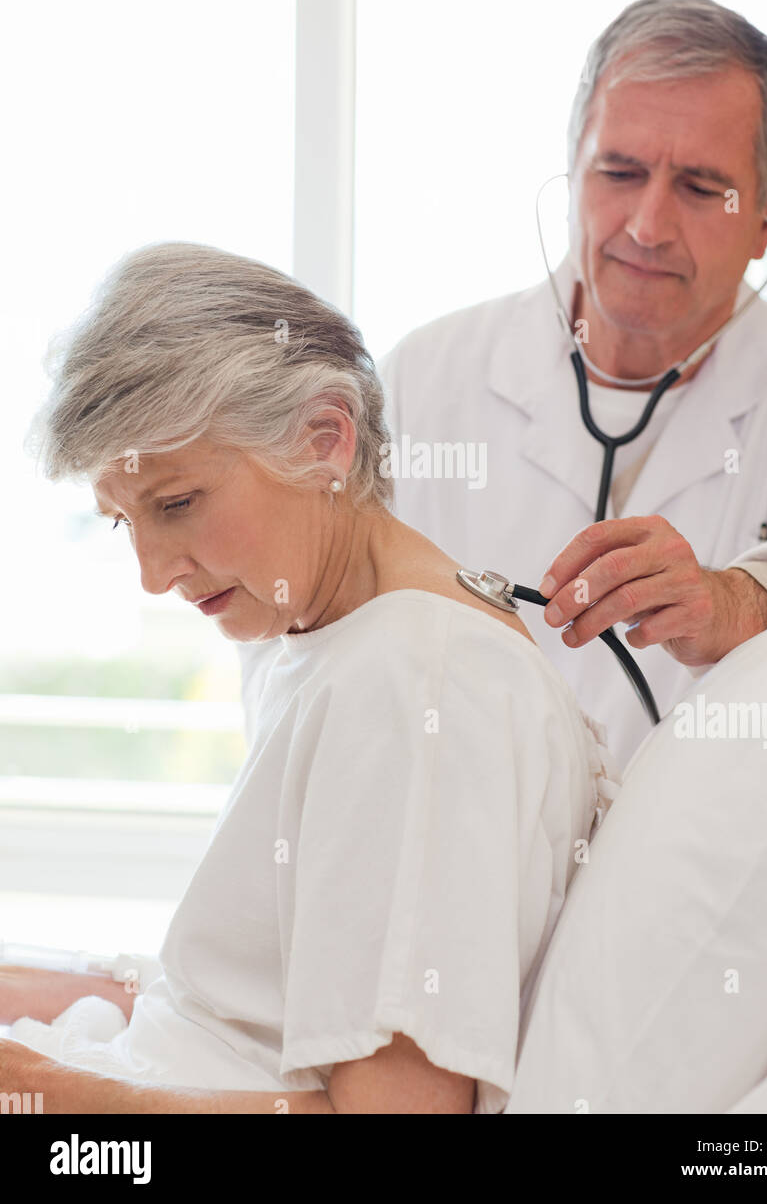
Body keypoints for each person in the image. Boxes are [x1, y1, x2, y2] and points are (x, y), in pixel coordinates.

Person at [0, 241, 620, 1114]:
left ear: (326, 439)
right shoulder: (336, 640)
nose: (151, 572)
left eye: (176, 503)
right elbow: (240, 1015)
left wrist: (38, 1093)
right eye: (121, 522)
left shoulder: (418, 687)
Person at [376, 0, 767, 775]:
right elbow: (315, 647)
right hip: (468, 873)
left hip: (710, 884)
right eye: (620, 170)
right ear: (573, 162)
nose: (646, 225)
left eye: (702, 188)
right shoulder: (426, 381)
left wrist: (742, 599)